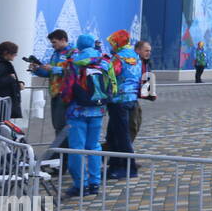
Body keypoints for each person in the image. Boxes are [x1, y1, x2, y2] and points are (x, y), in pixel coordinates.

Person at [59, 34, 112, 198]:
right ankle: (95, 183)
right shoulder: (104, 62)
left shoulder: (74, 63)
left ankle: (80, 184)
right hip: (98, 110)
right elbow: (112, 84)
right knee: (94, 146)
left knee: (77, 148)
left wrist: (66, 102)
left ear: (79, 46)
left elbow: (67, 89)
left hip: (77, 111)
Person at [104, 30, 141, 179]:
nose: (111, 46)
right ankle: (114, 166)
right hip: (131, 97)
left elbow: (112, 75)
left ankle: (129, 168)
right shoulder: (134, 56)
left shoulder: (118, 58)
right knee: (113, 134)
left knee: (121, 136)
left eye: (112, 43)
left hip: (118, 99)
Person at [27, 29, 73, 139]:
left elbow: (73, 71)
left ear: (63, 40)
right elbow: (50, 73)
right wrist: (37, 69)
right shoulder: (55, 54)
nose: (52, 45)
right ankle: (59, 151)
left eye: (54, 42)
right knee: (57, 124)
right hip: (55, 93)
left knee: (63, 125)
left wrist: (54, 69)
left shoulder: (73, 52)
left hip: (66, 94)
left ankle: (63, 153)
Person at [129, 39, 155, 142]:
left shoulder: (146, 63)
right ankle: (125, 152)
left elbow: (145, 80)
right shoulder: (132, 62)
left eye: (149, 51)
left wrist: (149, 94)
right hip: (126, 98)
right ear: (137, 50)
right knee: (132, 126)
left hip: (133, 98)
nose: (149, 53)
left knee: (136, 123)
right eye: (146, 50)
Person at [0, 41, 24, 119]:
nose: (16, 55)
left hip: (5, 103)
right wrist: (11, 79)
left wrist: (18, 83)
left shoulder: (4, 63)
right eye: (14, 52)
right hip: (1, 105)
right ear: (6, 52)